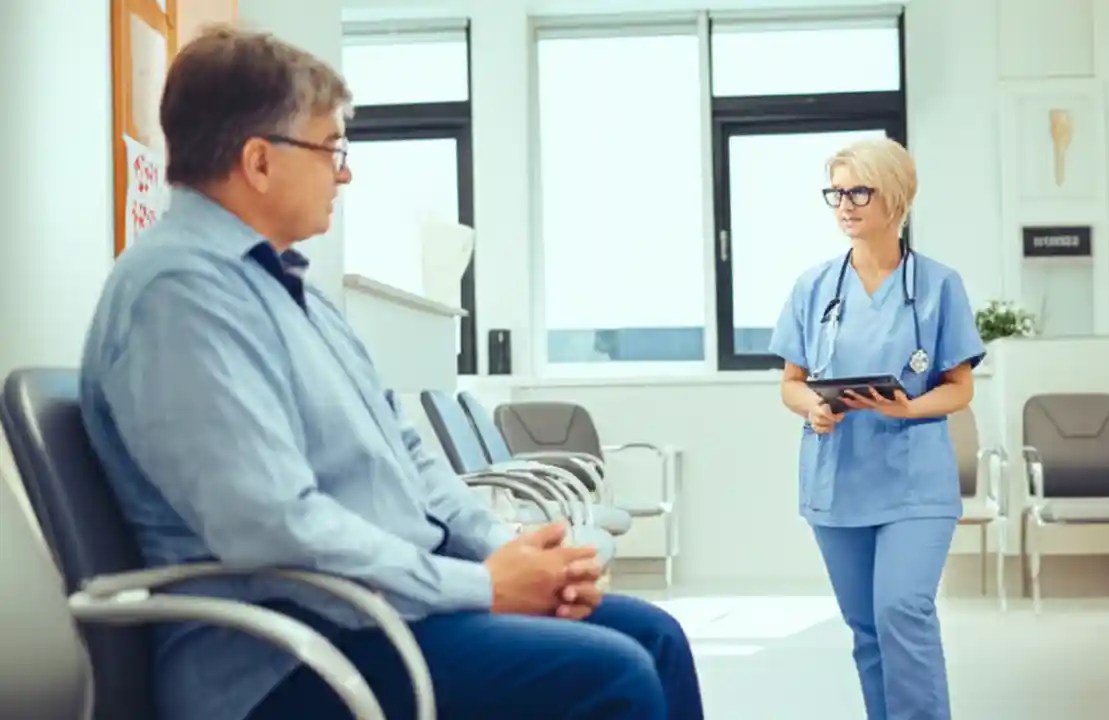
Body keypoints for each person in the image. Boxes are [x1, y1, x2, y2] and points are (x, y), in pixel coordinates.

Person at [79, 26, 704, 720]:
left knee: (656, 636)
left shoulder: (297, 295)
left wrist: (512, 554)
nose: (344, 173)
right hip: (290, 656)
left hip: (377, 614)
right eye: (330, 149)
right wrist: (481, 587)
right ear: (259, 162)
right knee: (613, 676)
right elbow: (272, 526)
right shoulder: (178, 295)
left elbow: (408, 458)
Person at [768, 137, 984, 720]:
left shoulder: (939, 285)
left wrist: (906, 408)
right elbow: (791, 383)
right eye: (836, 192)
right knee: (866, 630)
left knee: (902, 613)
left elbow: (959, 387)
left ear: (896, 196)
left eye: (858, 190)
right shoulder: (814, 287)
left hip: (915, 481)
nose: (845, 204)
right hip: (837, 479)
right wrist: (811, 406)